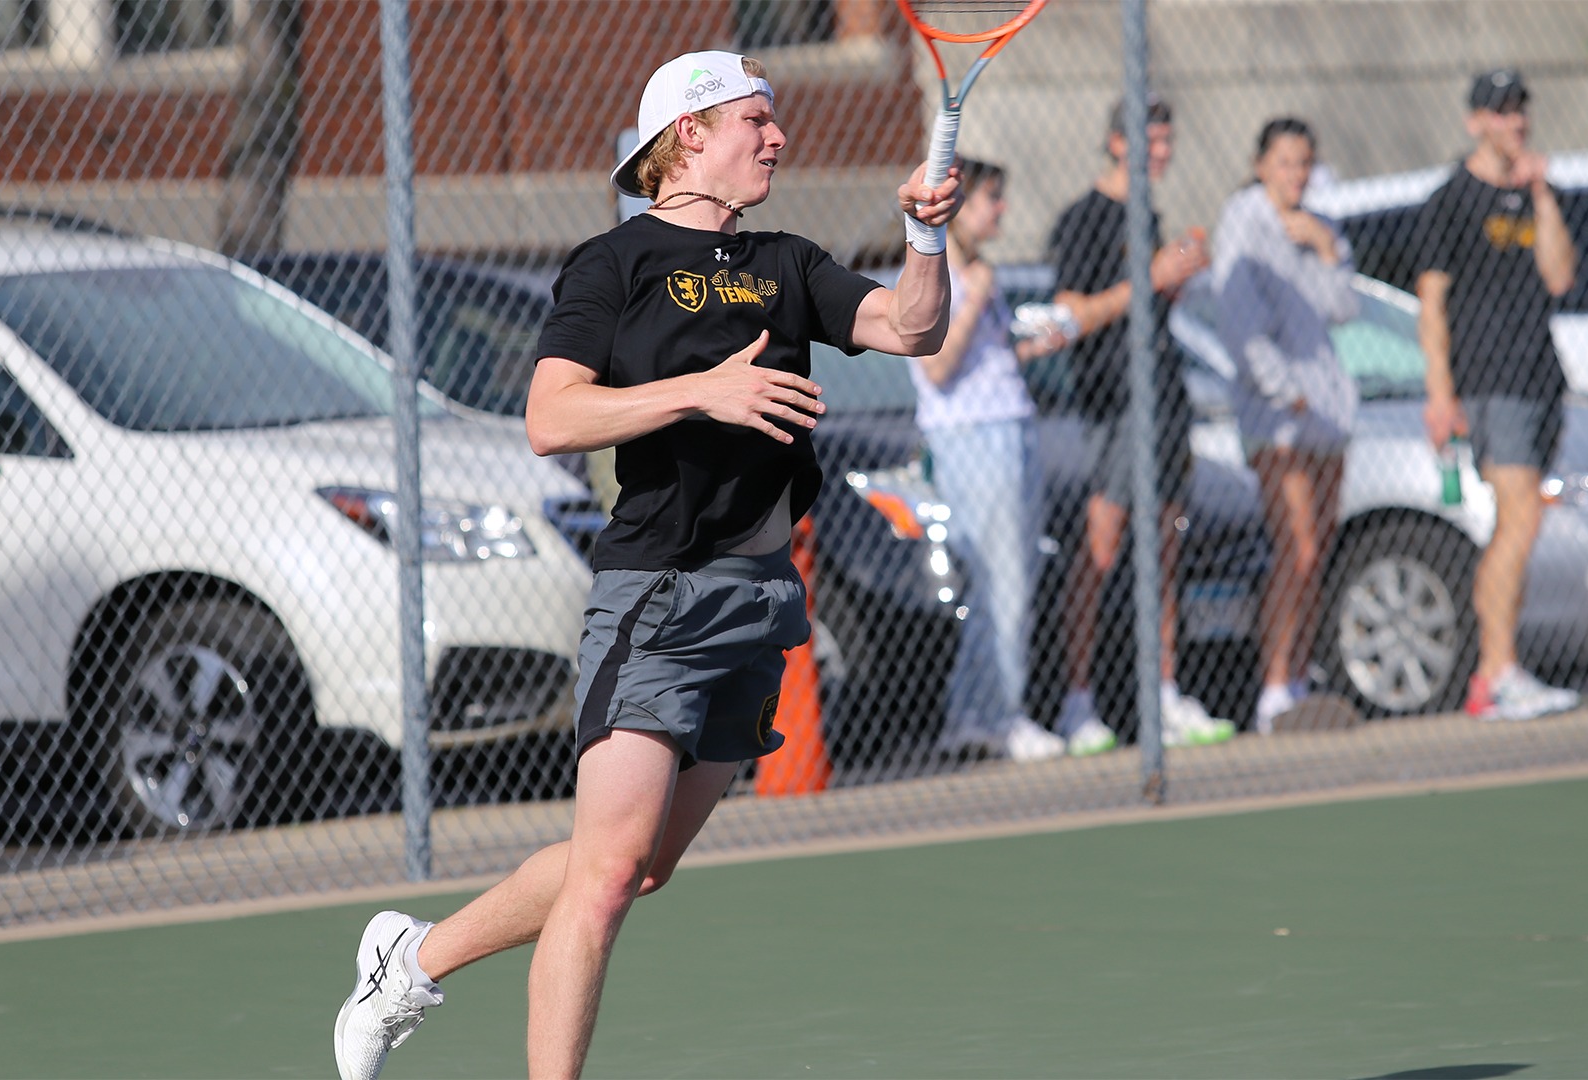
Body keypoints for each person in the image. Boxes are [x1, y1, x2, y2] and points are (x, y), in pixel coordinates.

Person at [332, 51, 962, 1080]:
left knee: (635, 867)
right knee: (609, 874)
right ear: (689, 134)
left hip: (760, 603)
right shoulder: (610, 265)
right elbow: (551, 417)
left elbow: (910, 327)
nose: (778, 136)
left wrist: (925, 237)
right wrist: (698, 393)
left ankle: (411, 958)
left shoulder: (786, 260)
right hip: (658, 595)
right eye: (756, 118)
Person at [1047, 93, 1236, 748]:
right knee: (1103, 542)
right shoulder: (1084, 219)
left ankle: (1164, 694)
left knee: (1165, 543)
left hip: (1164, 397)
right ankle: (1077, 701)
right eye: (1148, 138)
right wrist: (1154, 276)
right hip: (1115, 400)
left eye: (1166, 138)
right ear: (1117, 142)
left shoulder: (1147, 214)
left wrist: (1177, 275)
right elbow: (1072, 314)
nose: (1161, 150)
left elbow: (1148, 298)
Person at [907, 159, 1102, 762]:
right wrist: (973, 304)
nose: (1001, 211)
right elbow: (935, 366)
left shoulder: (980, 275)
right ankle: (999, 715)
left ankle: (977, 715)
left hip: (1007, 429)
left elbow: (982, 363)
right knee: (1000, 582)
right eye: (992, 199)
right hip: (973, 439)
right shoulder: (940, 277)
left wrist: (1027, 347)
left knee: (1008, 579)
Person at [1414, 69, 1581, 722]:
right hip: (1489, 381)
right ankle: (1499, 668)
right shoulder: (1450, 200)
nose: (1516, 123)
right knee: (1520, 520)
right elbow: (1431, 305)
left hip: (1542, 375)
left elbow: (1562, 277)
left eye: (1520, 111)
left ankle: (1494, 672)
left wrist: (1541, 195)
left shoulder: (1540, 194)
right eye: (1502, 113)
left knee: (1518, 526)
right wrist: (1440, 394)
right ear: (1476, 121)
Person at [1212, 118, 1360, 732]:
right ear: (1260, 165)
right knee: (1293, 548)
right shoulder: (1242, 224)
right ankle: (1273, 686)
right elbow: (1237, 321)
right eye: (1283, 163)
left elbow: (1343, 308)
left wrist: (1328, 250)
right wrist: (1284, 389)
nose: (1294, 175)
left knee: (1317, 551)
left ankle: (1299, 675)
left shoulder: (1316, 225)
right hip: (1277, 416)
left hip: (1327, 410)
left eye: (1304, 163)